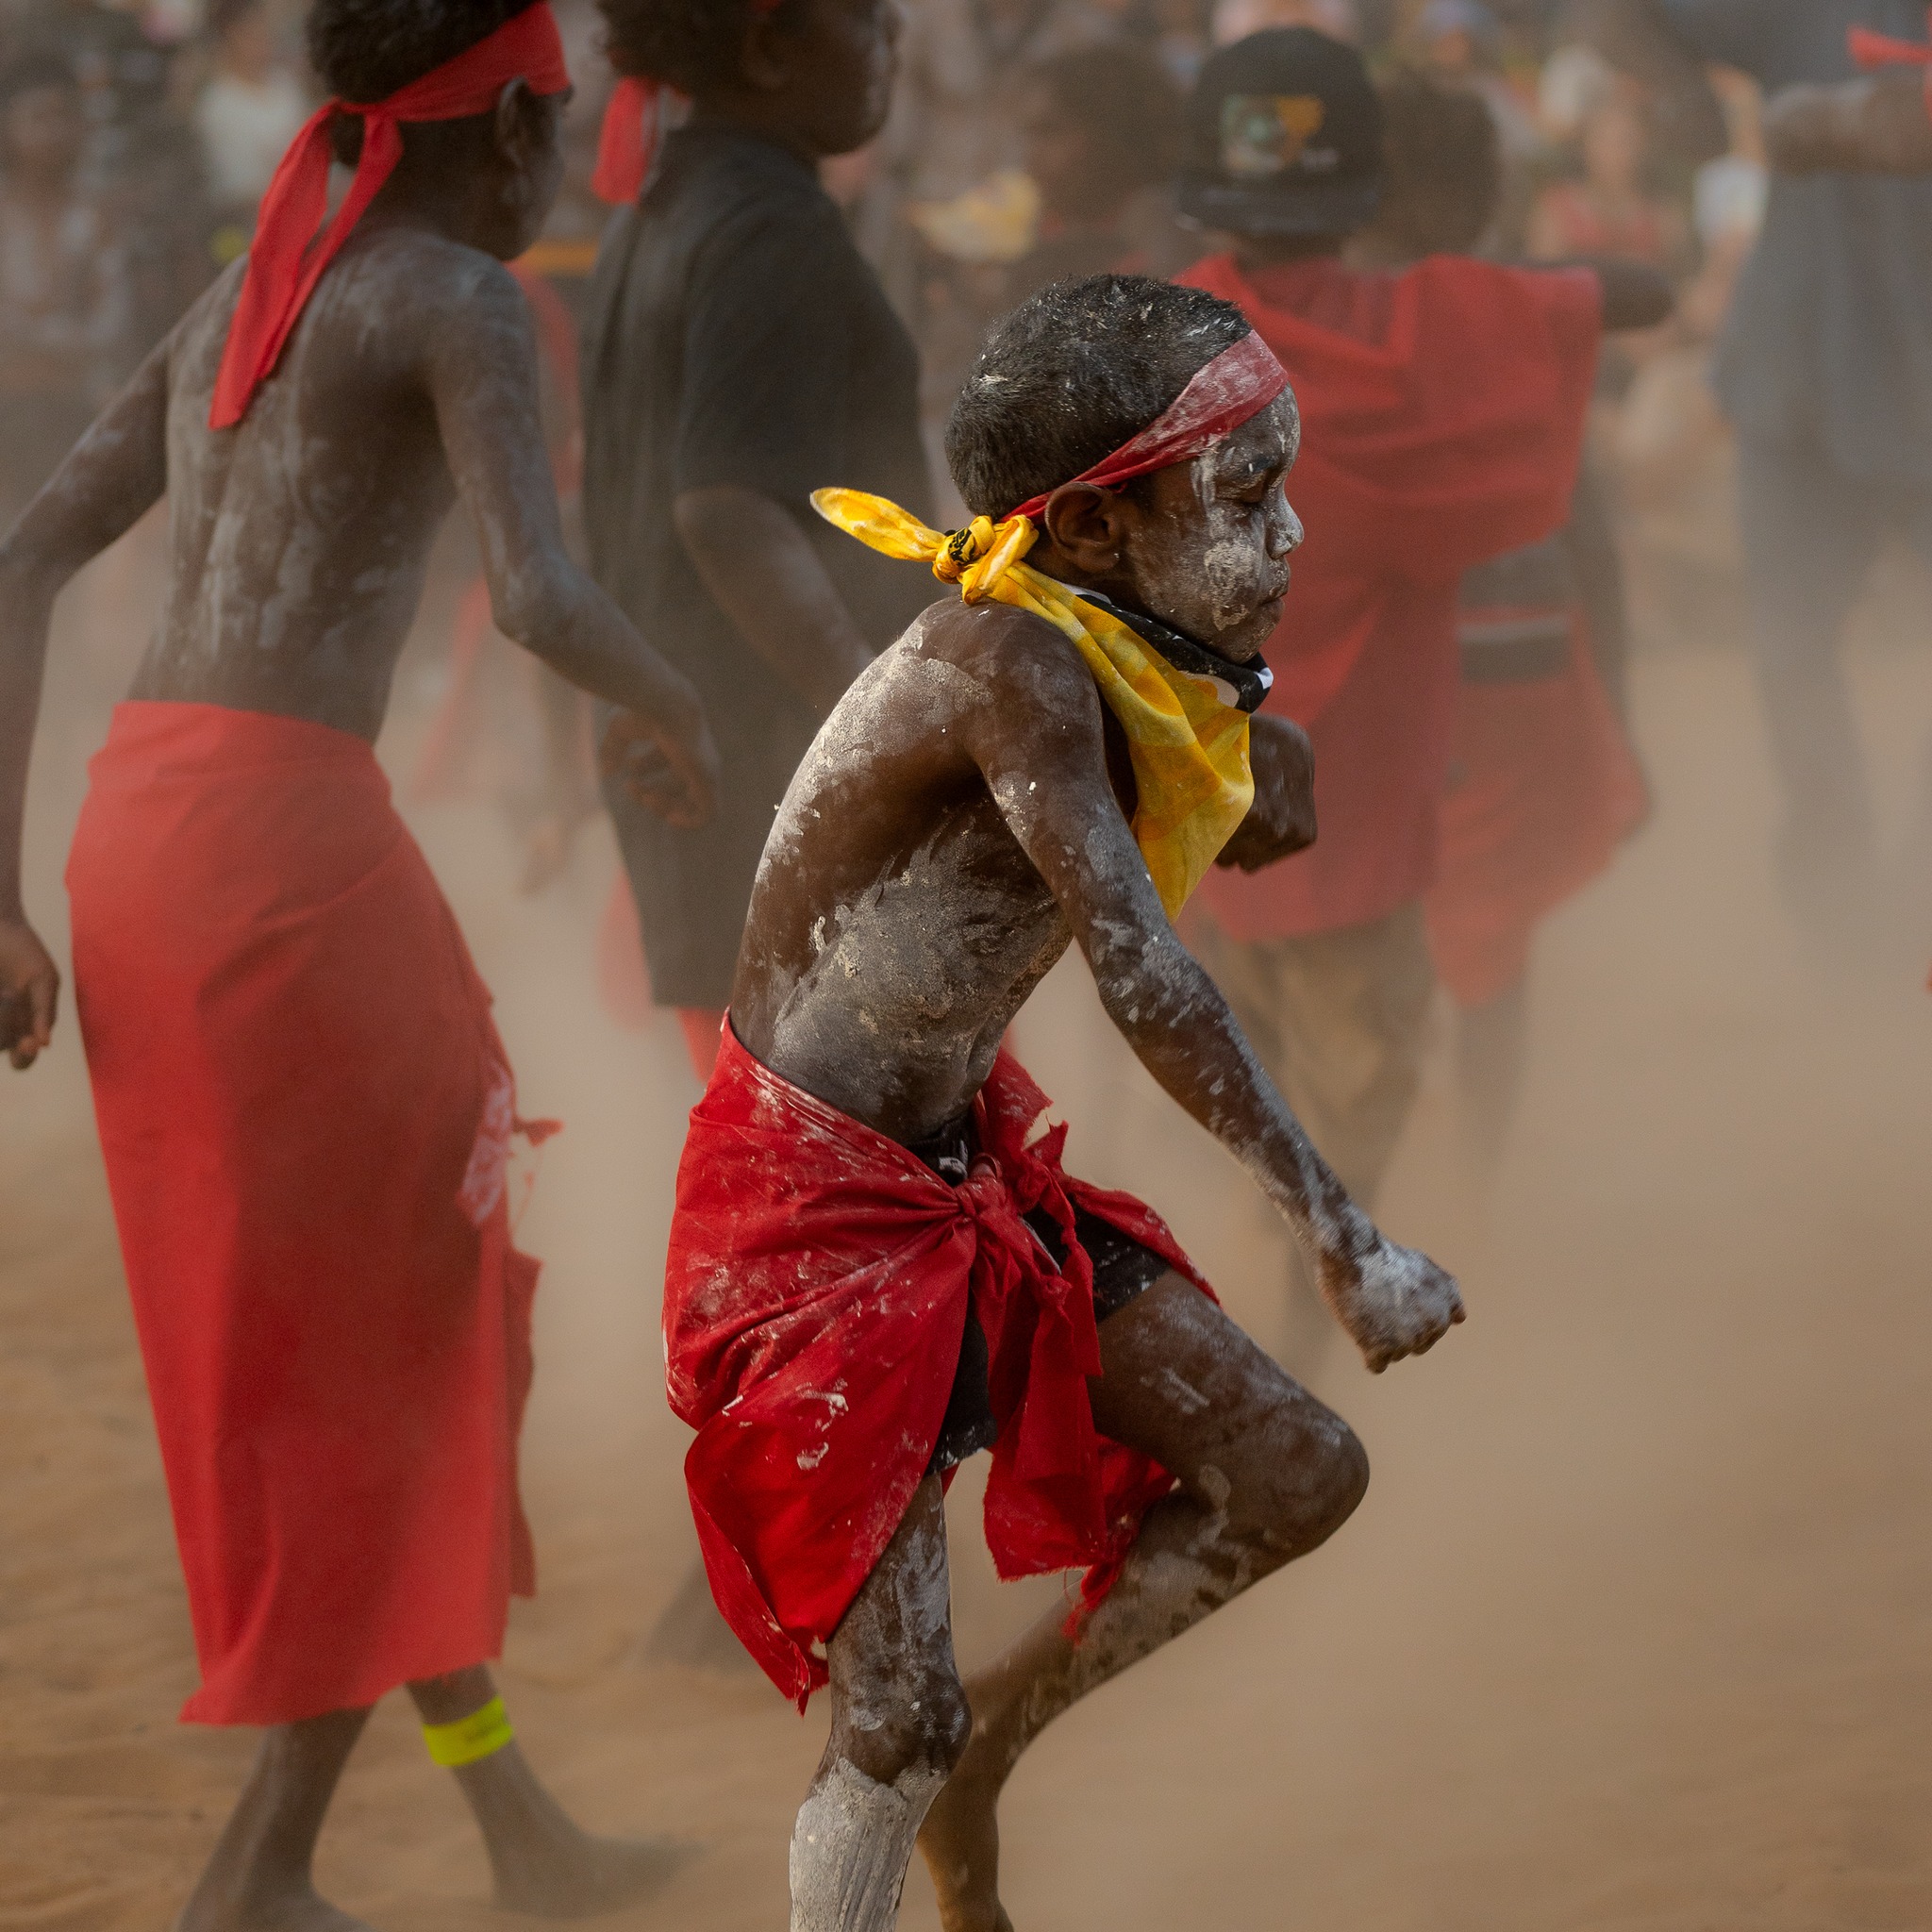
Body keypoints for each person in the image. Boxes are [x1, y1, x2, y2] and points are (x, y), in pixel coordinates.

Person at [0, 3, 721, 1925]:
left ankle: (509, 1832)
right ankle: (262, 1869)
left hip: (138, 836)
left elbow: (18, 560)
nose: (556, 165)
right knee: (400, 1338)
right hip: (284, 858)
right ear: (494, 125)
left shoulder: (255, 286)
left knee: (353, 1331)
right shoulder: (452, 297)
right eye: (549, 128)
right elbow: (541, 593)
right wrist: (695, 710)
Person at [662, 270, 1463, 1932]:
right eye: (1244, 495)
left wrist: (1249, 748)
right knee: (888, 1723)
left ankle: (993, 1755)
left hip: (958, 1169)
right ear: (1090, 535)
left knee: (1295, 1472)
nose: (1291, 535)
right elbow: (1142, 973)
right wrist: (1341, 1232)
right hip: (812, 1210)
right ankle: (934, 1779)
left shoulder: (1106, 642)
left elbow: (1180, 739)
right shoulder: (1008, 668)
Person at [1173, 28, 1666, 1358]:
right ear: (1373, 192)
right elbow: (1646, 290)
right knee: (1354, 1124)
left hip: (1201, 819)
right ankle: (1302, 1368)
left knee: (1252, 1081)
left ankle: (1268, 1329)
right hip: (1363, 820)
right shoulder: (1435, 336)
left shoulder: (1156, 340)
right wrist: (1489, 289)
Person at [581, 0, 932, 1091]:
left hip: (719, 790)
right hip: (788, 795)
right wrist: (894, 736)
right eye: (866, 16)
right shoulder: (771, 226)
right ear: (767, 43)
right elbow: (723, 509)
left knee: (788, 1190)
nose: (892, 37)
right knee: (866, 1201)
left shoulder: (658, 213)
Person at [1576, 0, 1932, 942]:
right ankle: (1836, 884)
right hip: (1799, 373)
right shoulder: (1812, 9)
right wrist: (1684, 98)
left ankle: (1908, 888)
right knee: (1786, 649)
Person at [0, 51, 129, 525]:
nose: (52, 131)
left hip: (70, 409)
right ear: (7, 129)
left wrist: (34, 339)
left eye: (62, 116)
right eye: (37, 117)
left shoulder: (94, 219)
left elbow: (109, 326)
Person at [194, 0, 309, 225]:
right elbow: (241, 193)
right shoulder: (218, 106)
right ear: (229, 37)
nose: (263, 38)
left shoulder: (285, 85)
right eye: (251, 31)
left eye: (265, 27)